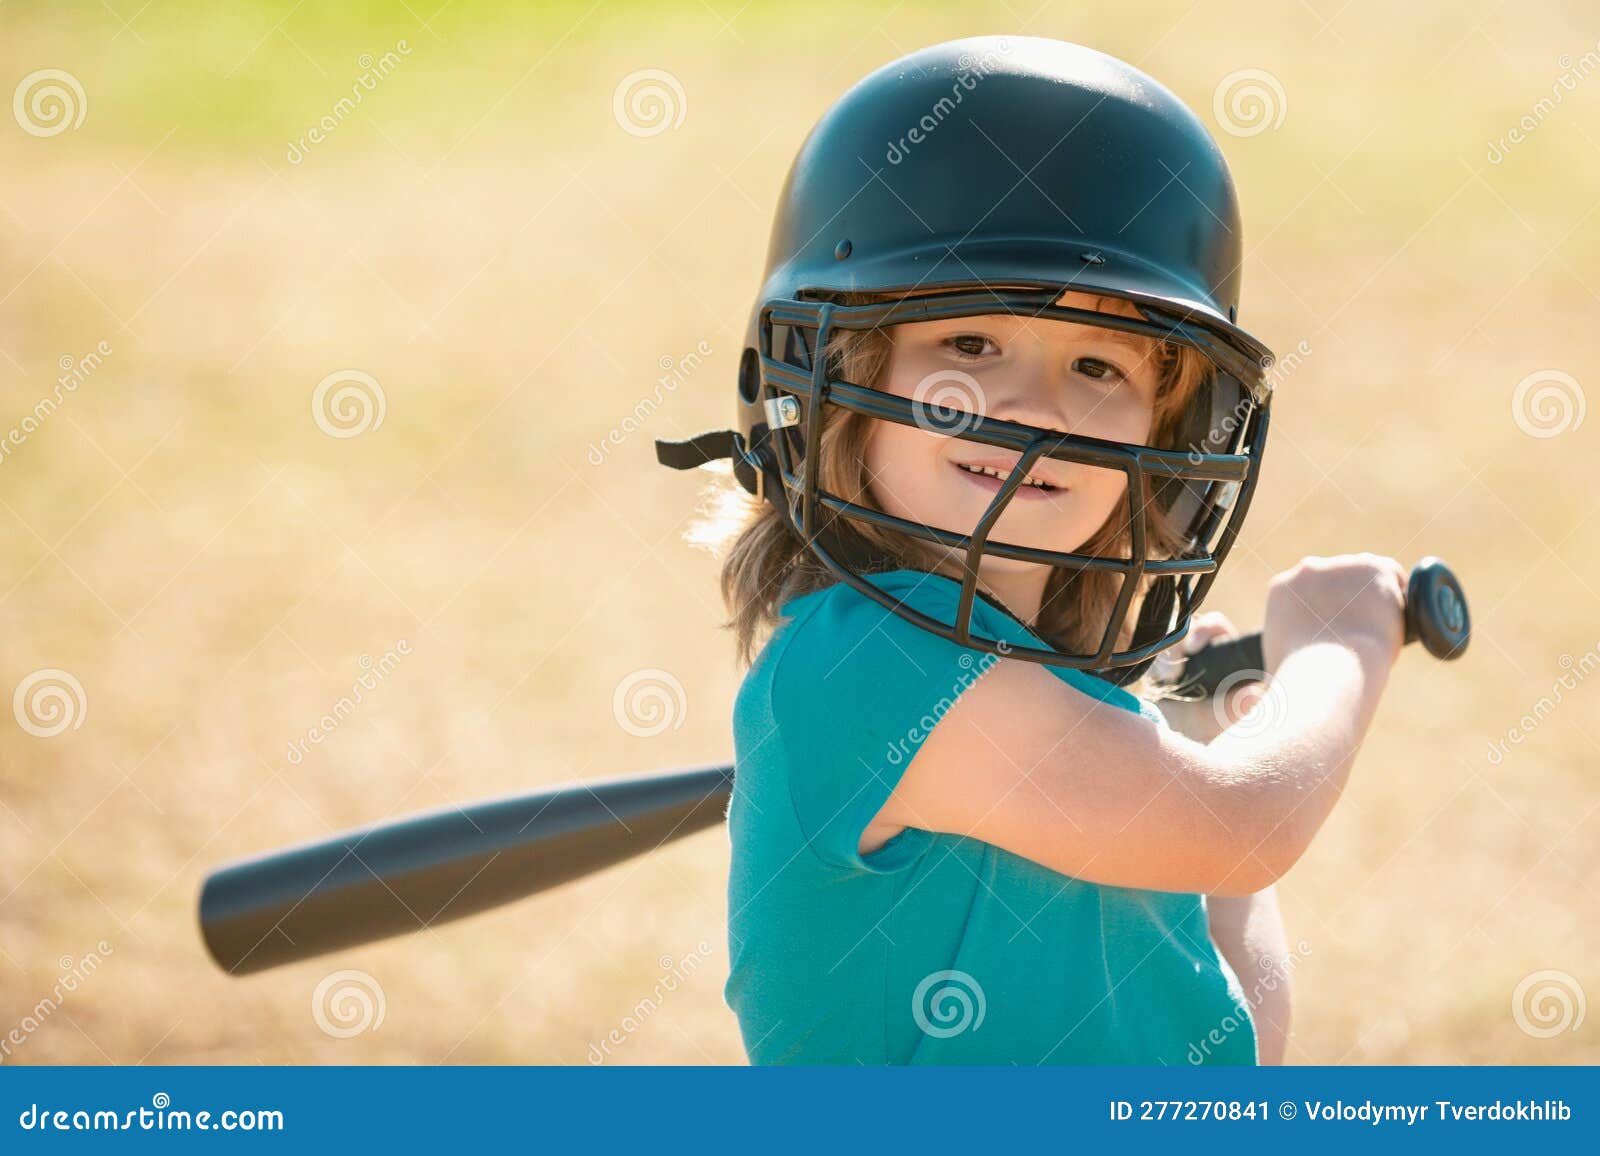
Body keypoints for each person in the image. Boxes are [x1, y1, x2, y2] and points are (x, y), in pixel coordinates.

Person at [657, 35, 1405, 1065]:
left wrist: (1190, 727)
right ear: (834, 375)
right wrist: (1337, 648)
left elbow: (1233, 1052)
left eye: (1099, 364)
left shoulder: (1061, 725)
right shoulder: (863, 666)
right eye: (969, 345)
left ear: (1168, 437)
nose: (1034, 409)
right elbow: (1243, 826)